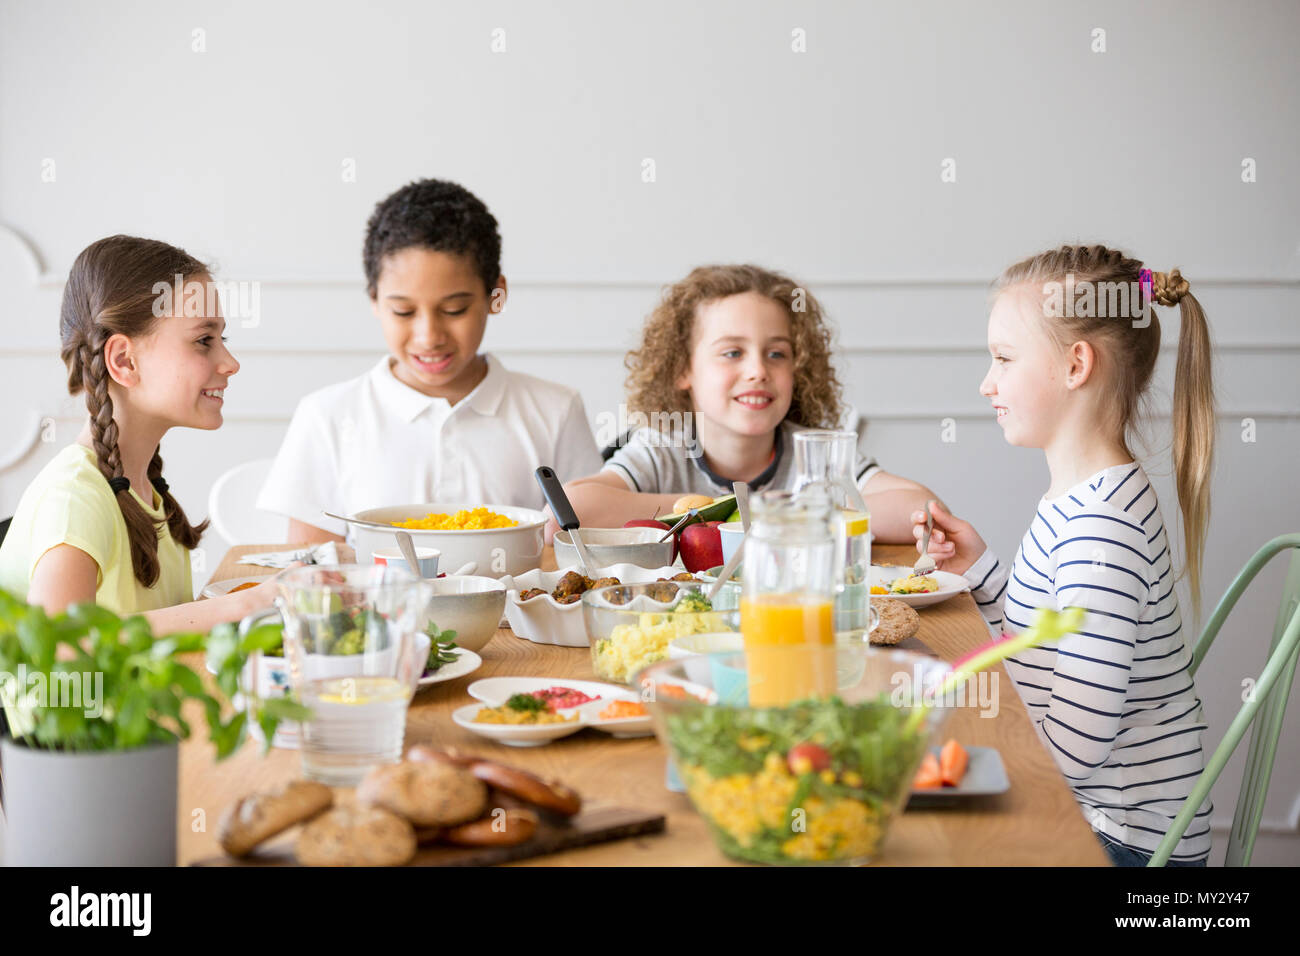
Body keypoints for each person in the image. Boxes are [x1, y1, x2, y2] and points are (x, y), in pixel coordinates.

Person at [913, 245, 1214, 866]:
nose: (986, 382)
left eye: (1003, 358)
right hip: (1090, 812)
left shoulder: (1101, 528)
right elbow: (1048, 646)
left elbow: (1074, 750)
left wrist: (951, 735)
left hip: (1116, 842)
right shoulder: (1084, 497)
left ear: (1076, 364)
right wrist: (981, 572)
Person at [258, 178, 603, 543]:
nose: (429, 337)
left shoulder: (555, 409)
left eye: (455, 309)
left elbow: (582, 548)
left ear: (494, 294)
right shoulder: (327, 415)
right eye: (403, 311)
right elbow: (310, 570)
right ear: (374, 299)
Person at [0, 236, 282, 631]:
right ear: (123, 360)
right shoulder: (74, 499)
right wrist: (240, 605)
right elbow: (62, 658)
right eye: (204, 340)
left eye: (223, 339)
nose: (230, 363)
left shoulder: (145, 489)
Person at [562, 264, 938, 541]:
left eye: (777, 354)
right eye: (732, 353)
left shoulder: (812, 454)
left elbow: (921, 510)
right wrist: (722, 509)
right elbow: (571, 509)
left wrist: (767, 512)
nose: (758, 370)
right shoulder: (662, 448)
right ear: (682, 369)